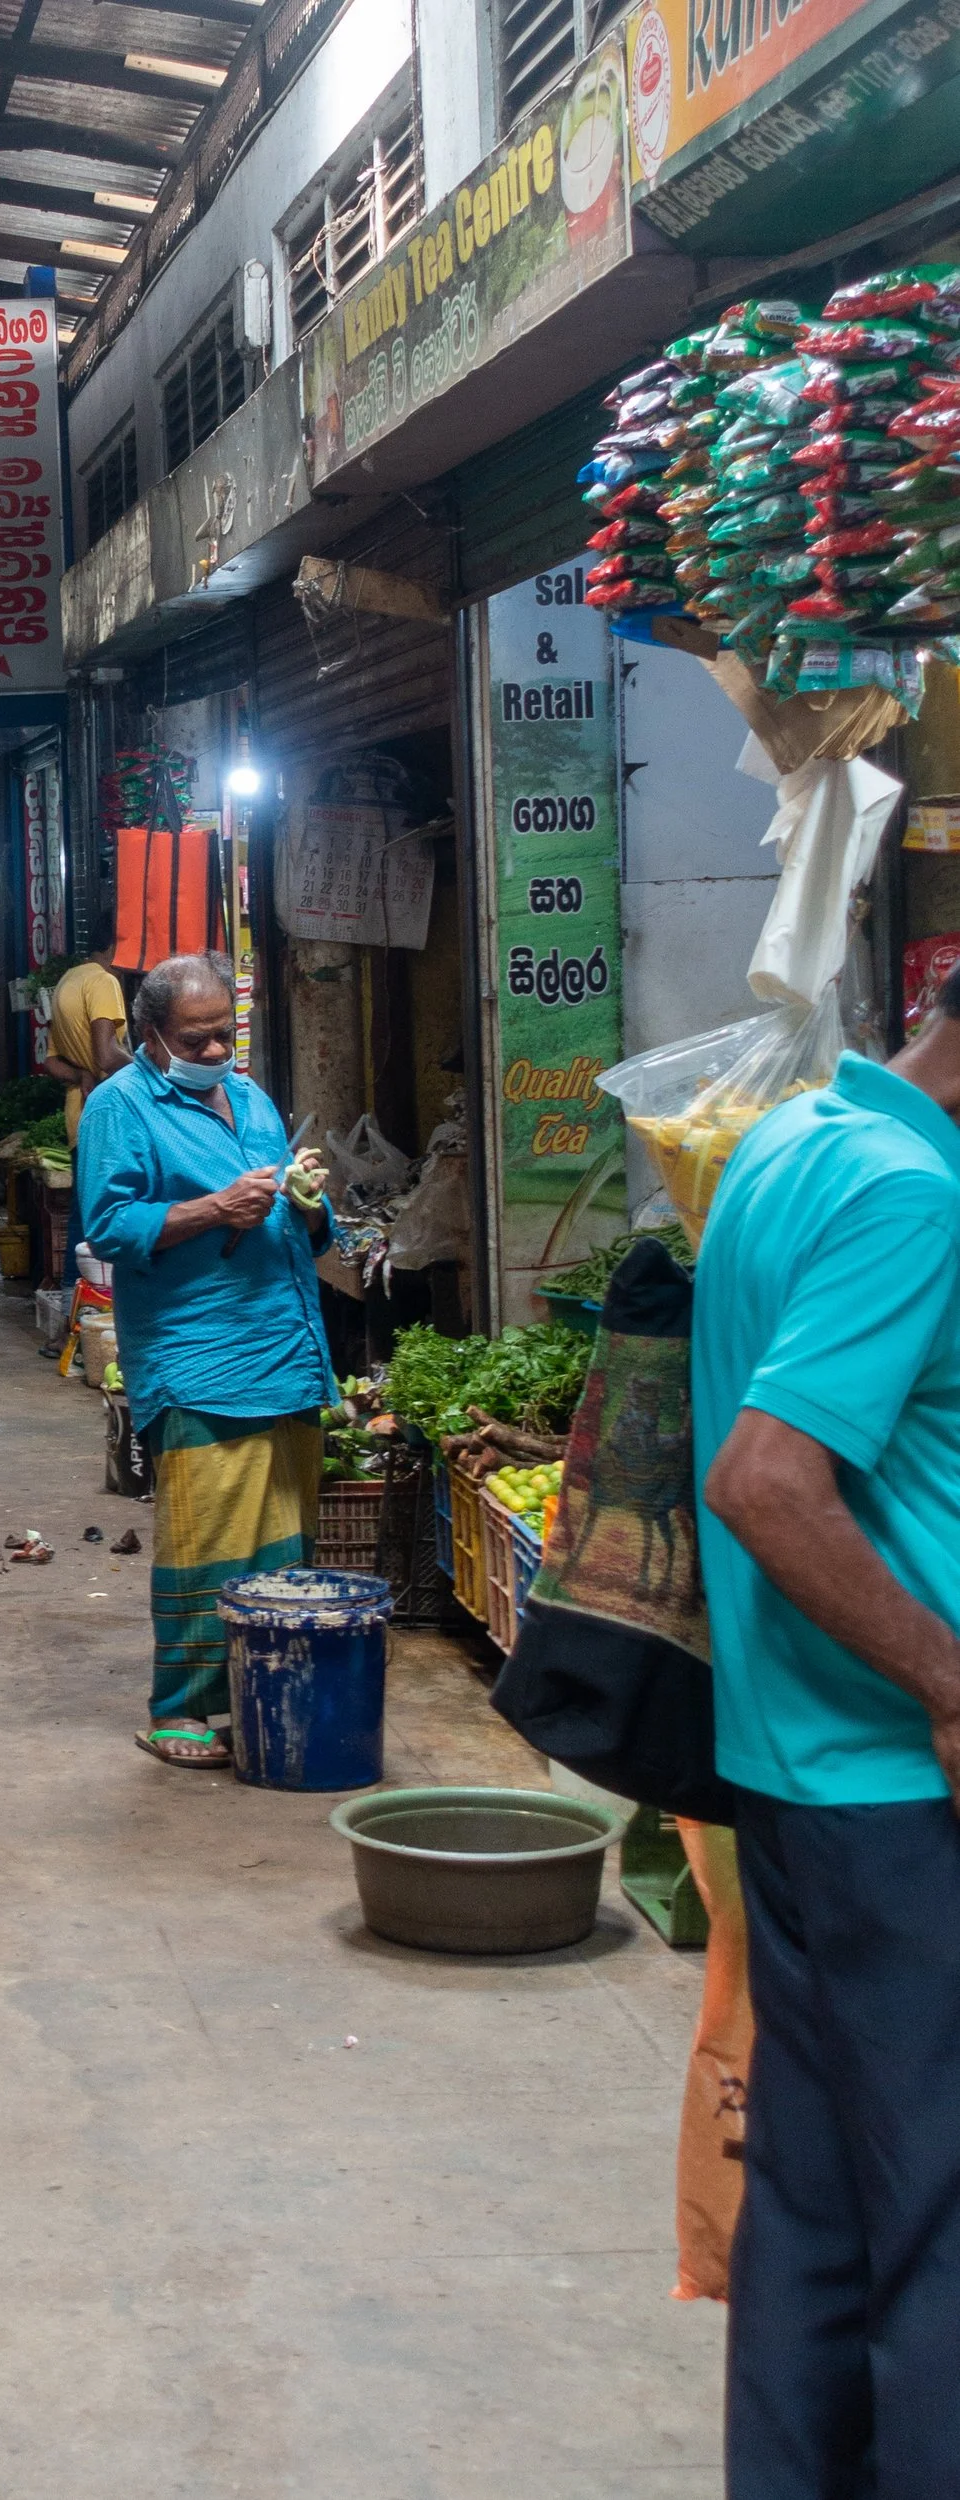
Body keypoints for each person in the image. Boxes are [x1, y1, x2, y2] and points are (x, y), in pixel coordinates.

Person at [692, 969, 960, 2497]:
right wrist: (950, 1680)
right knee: (941, 2227)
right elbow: (766, 1479)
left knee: (815, 2203)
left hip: (786, 1766)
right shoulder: (911, 1195)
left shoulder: (794, 1137)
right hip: (893, 1786)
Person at [76, 952, 332, 1768]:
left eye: (227, 1033)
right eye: (198, 1038)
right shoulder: (120, 1108)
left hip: (285, 1350)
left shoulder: (253, 1099)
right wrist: (213, 1209)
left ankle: (268, 1682)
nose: (218, 1051)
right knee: (207, 1540)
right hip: (200, 1356)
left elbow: (300, 1225)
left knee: (284, 1542)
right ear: (152, 1035)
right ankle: (181, 1708)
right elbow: (110, 1228)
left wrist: (307, 1202)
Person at [43, 956, 134, 1144]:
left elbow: (51, 1062)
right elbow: (107, 1058)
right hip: (106, 1121)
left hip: (77, 1122)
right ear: (115, 947)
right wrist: (150, 1069)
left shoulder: (66, 980)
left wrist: (80, 1074)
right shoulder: (103, 980)